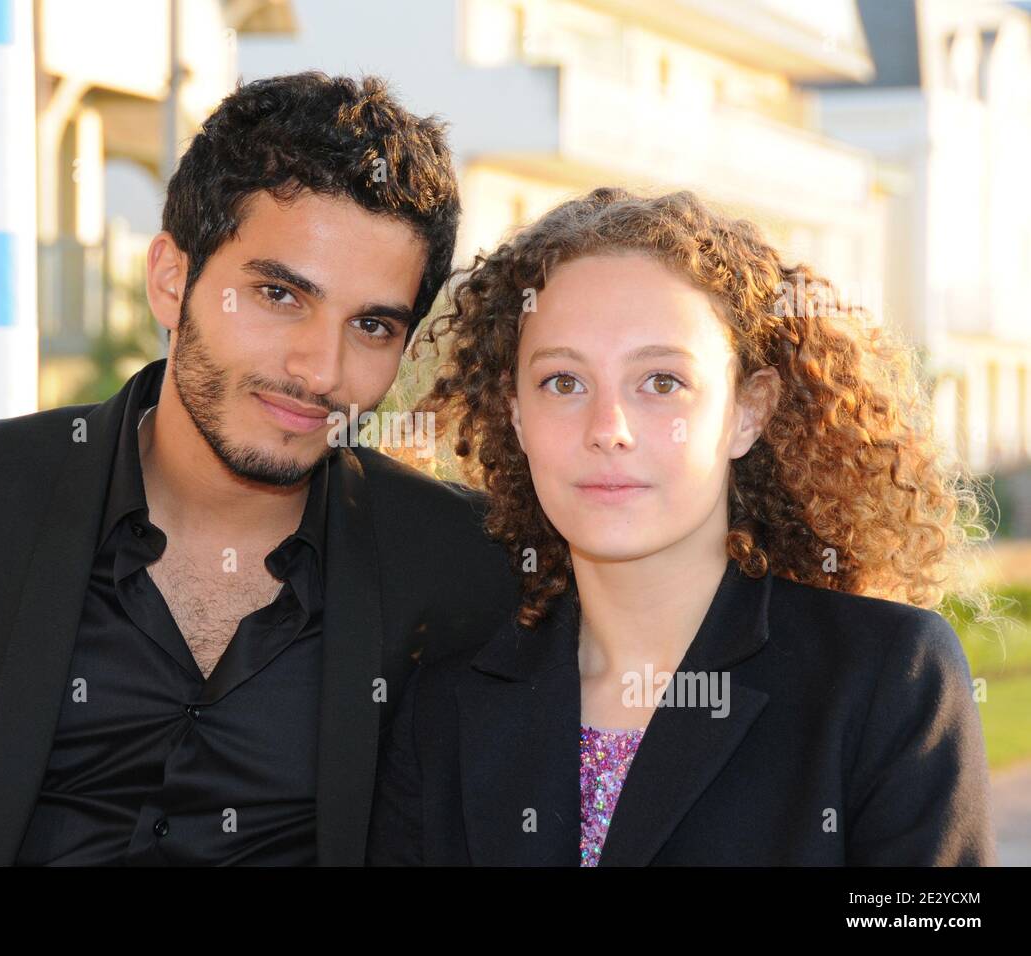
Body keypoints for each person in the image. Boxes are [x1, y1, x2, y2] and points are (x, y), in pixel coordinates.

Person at [0, 71, 518, 866]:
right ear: (171, 279)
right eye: (278, 295)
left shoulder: (457, 565)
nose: (319, 370)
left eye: (370, 324)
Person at [366, 187, 999, 866]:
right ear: (516, 414)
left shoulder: (886, 679)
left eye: (661, 381)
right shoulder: (443, 706)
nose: (608, 429)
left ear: (748, 412)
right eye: (563, 383)